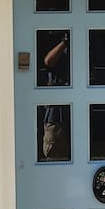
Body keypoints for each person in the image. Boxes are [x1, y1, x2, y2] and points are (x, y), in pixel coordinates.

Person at [41, 33, 69, 161]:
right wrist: (65, 43)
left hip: (78, 114)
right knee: (53, 155)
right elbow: (48, 61)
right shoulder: (58, 46)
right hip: (55, 114)